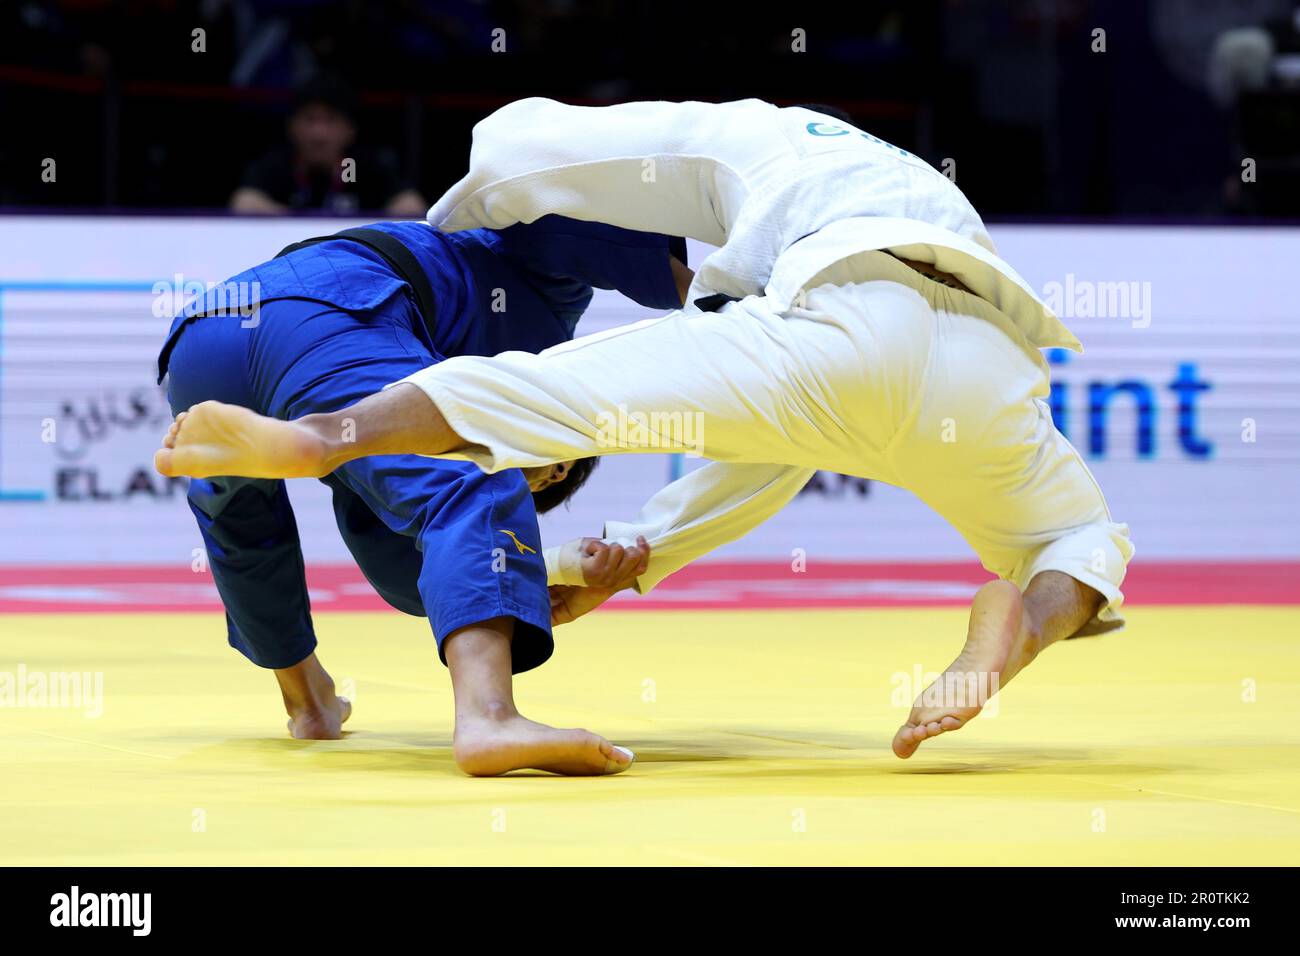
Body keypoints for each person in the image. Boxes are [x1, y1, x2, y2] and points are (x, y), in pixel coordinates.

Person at [155, 98, 1135, 760]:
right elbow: (754, 458)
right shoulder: (870, 176)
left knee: (516, 409)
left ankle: (326, 456)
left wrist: (472, 198)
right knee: (1076, 538)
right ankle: (1020, 635)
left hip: (836, 310)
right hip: (992, 354)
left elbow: (519, 142)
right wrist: (641, 554)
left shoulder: (744, 135)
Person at [155, 211, 692, 775]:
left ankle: (310, 702)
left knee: (245, 520)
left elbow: (409, 571)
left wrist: (543, 579)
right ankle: (490, 719)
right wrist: (704, 293)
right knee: (477, 478)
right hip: (332, 312)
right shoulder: (548, 316)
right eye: (545, 474)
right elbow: (575, 217)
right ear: (559, 462)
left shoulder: (487, 327)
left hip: (203, 339)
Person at [230, 74, 427, 216]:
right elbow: (244, 202)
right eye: (310, 120)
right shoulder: (277, 163)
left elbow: (412, 207)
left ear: (350, 130)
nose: (319, 134)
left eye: (330, 121)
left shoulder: (367, 166)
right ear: (291, 127)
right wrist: (299, 222)